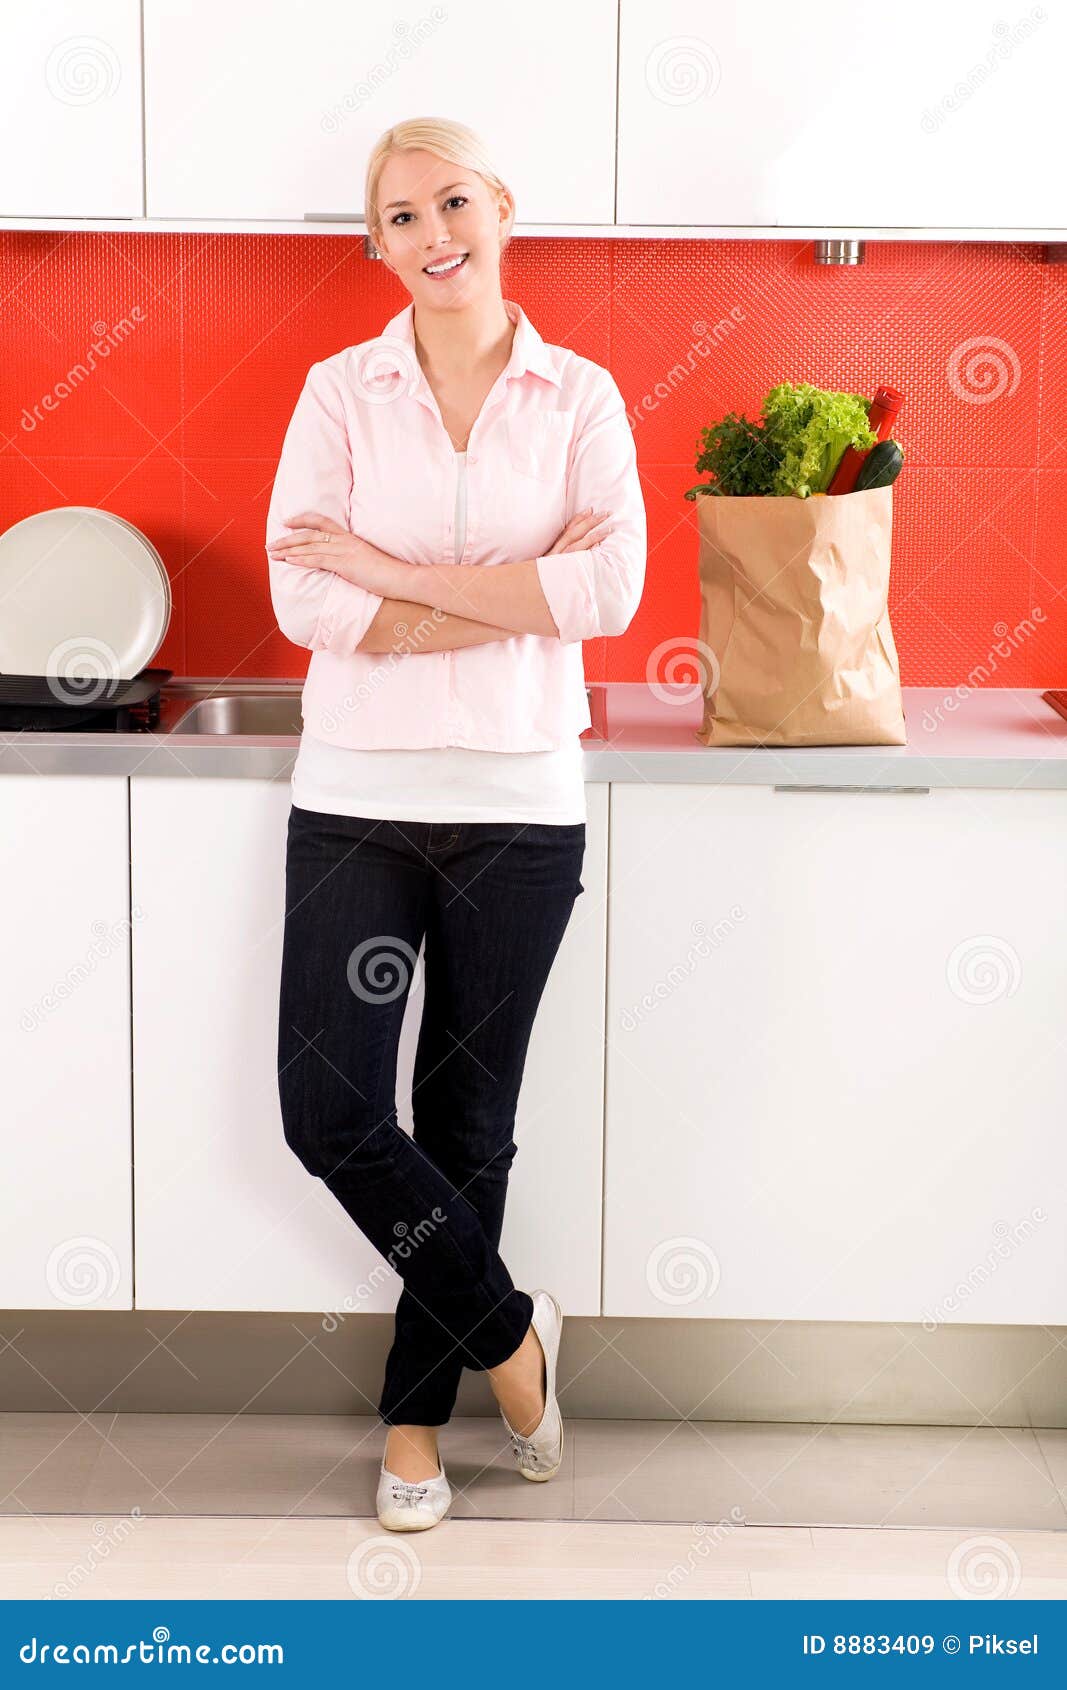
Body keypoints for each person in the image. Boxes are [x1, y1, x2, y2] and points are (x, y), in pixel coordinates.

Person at [265, 115, 646, 1531]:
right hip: (360, 800)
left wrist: (394, 572)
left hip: (519, 808)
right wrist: (511, 593)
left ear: (503, 208)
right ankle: (511, 1338)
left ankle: (415, 1423)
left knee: (469, 1122)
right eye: (403, 217)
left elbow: (607, 593)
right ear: (378, 247)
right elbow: (305, 596)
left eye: (454, 202)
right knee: (331, 1110)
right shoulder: (339, 392)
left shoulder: (582, 396)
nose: (436, 235)